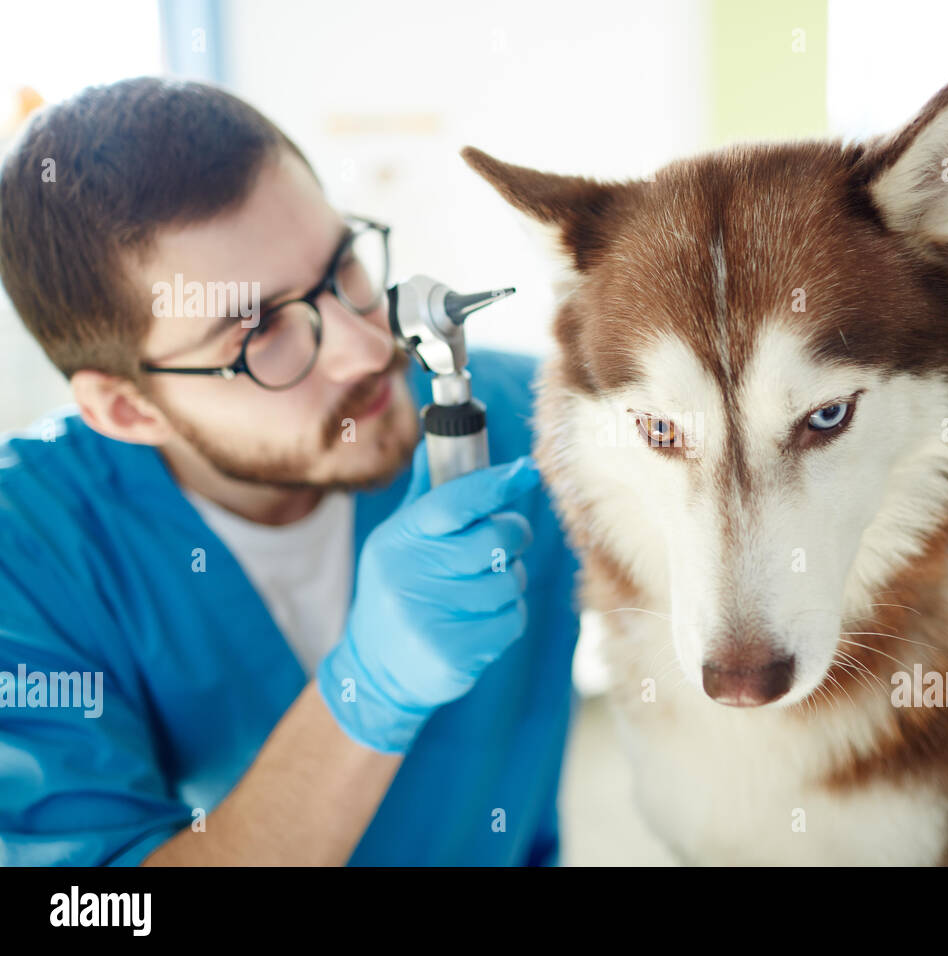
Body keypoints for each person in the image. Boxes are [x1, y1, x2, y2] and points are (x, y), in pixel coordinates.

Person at [0, 76, 580, 865]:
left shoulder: (538, 415)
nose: (369, 349)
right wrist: (367, 695)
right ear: (129, 410)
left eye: (344, 268)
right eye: (261, 330)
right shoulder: (27, 556)